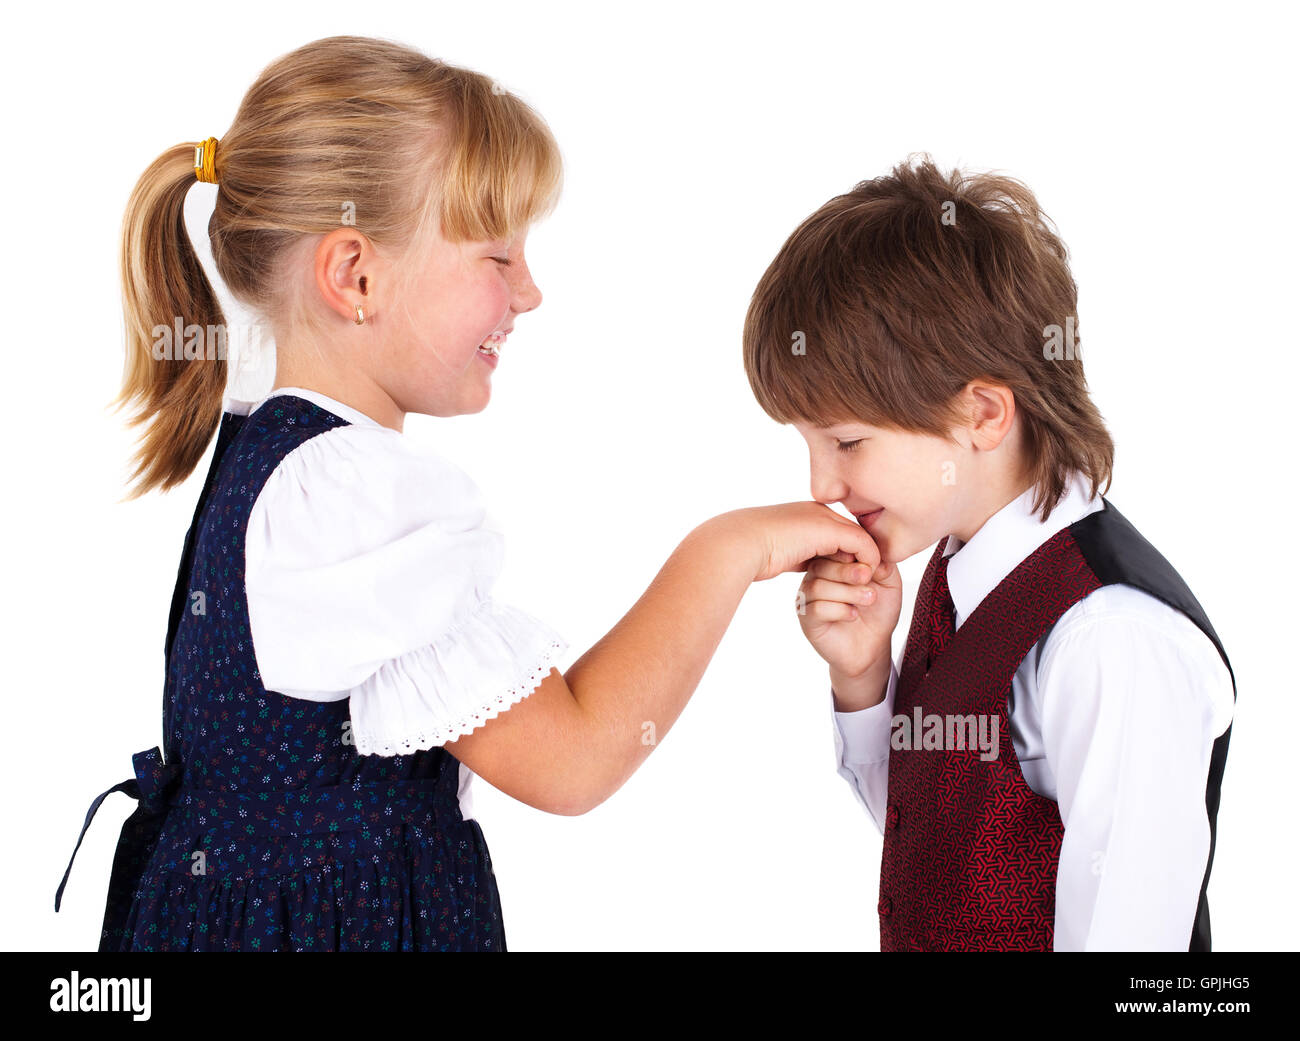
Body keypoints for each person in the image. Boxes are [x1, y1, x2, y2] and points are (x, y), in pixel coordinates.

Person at [53, 35, 879, 952]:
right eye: (497, 257)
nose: (530, 293)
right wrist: (731, 548)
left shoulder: (274, 450)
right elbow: (573, 758)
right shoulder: (346, 490)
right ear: (355, 275)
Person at [742, 155, 1236, 951]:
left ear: (981, 414)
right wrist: (865, 677)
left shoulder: (1107, 635)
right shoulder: (958, 561)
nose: (821, 482)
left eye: (845, 441)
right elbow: (932, 839)